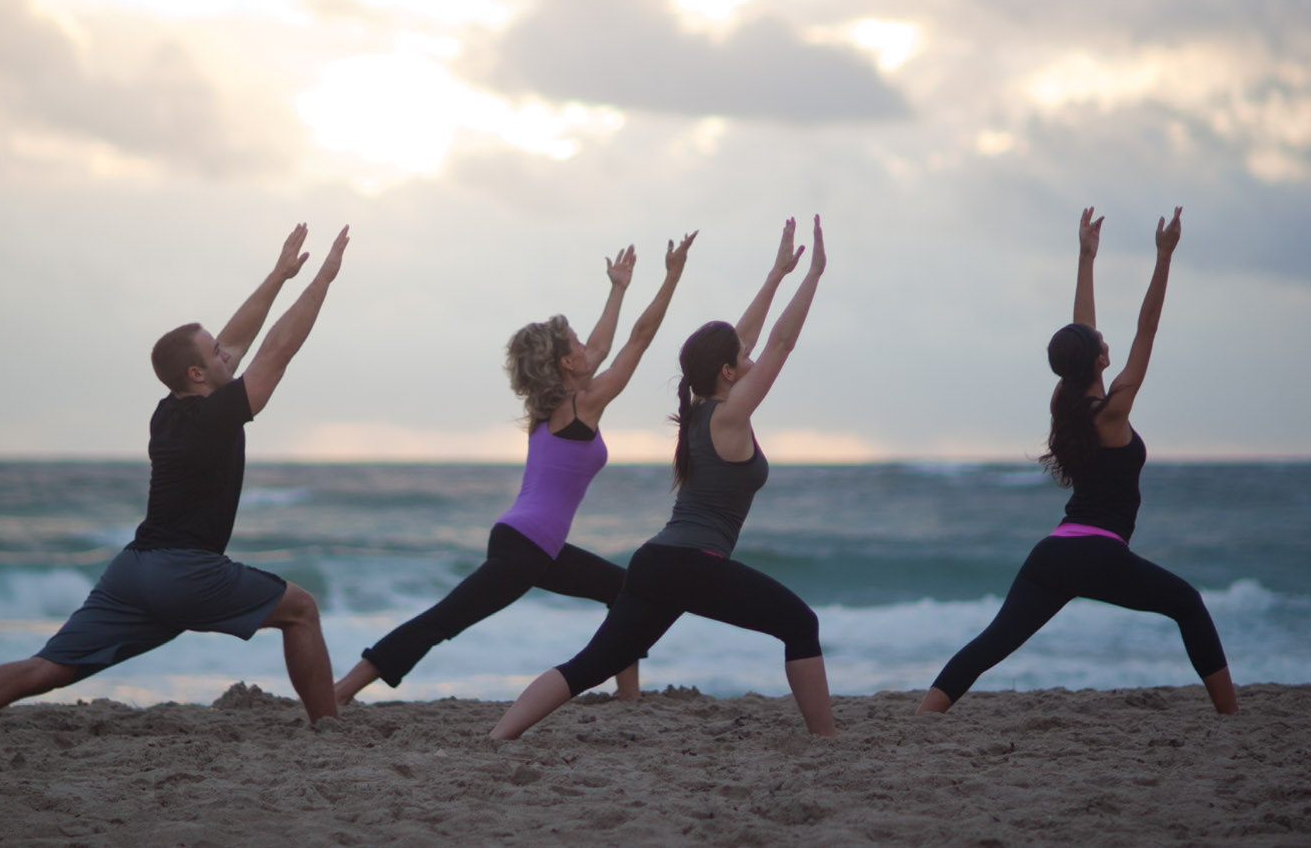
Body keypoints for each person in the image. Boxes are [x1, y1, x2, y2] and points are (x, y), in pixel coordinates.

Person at [0, 223, 352, 726]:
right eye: (215, 354)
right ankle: (328, 728)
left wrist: (278, 275)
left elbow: (238, 340)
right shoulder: (217, 417)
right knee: (300, 610)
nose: (227, 355)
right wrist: (322, 279)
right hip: (185, 573)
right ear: (197, 374)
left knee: (46, 667)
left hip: (134, 570)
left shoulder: (168, 410)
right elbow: (276, 351)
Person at [491, 216, 836, 740]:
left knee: (592, 663)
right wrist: (812, 276)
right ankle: (827, 740)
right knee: (800, 624)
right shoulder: (727, 416)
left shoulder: (701, 409)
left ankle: (499, 736)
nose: (750, 357)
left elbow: (739, 340)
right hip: (691, 564)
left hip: (656, 562)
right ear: (727, 372)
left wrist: (775, 274)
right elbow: (781, 345)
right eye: (744, 359)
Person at [331, 233, 697, 704]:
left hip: (531, 543)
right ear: (567, 363)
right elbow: (638, 340)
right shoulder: (581, 407)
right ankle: (339, 690)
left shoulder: (551, 410)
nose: (590, 345)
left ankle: (630, 701)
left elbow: (603, 348)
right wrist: (672, 276)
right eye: (578, 342)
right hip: (526, 547)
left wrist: (619, 288)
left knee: (626, 593)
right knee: (443, 621)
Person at [917, 206, 1237, 715]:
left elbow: (1080, 331)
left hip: (1054, 554)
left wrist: (1086, 258)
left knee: (994, 642)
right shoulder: (1111, 413)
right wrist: (1163, 256)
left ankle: (925, 715)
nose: (1107, 340)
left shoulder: (1066, 403)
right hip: (1098, 554)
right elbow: (1147, 329)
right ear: (1096, 360)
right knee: (1188, 605)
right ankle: (1231, 716)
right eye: (1101, 344)